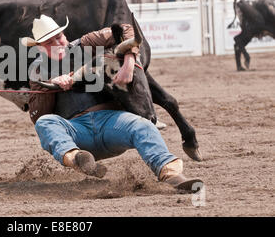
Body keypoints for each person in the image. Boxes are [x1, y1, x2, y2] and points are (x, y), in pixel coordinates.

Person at [21, 15, 203, 192]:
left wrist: (129, 62)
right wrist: (52, 86)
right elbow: (39, 116)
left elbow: (125, 29)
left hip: (112, 122)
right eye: (49, 42)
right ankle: (77, 158)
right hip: (77, 131)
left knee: (142, 126)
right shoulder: (38, 71)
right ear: (39, 48)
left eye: (58, 37)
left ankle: (171, 174)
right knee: (46, 123)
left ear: (64, 35)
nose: (57, 43)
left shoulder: (85, 44)